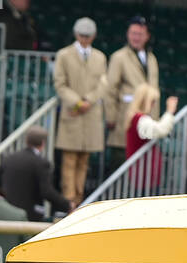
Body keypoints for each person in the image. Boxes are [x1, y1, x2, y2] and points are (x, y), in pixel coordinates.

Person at [54, 17, 108, 206]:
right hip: (72, 113)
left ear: (93, 36)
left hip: (90, 115)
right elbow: (60, 84)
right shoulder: (64, 55)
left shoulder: (100, 58)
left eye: (88, 36)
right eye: (82, 35)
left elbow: (103, 84)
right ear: (76, 34)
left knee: (84, 161)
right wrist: (77, 102)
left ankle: (79, 200)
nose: (85, 39)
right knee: (69, 161)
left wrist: (89, 101)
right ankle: (68, 201)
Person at [107, 16, 160, 172]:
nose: (136, 37)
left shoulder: (151, 58)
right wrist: (110, 116)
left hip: (147, 120)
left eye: (140, 34)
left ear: (147, 36)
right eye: (133, 33)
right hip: (126, 117)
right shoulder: (119, 57)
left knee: (141, 169)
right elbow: (111, 89)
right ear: (127, 34)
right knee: (121, 165)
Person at [0, 126, 73, 220]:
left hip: (7, 213)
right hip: (30, 215)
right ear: (43, 143)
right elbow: (47, 191)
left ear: (26, 140)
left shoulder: (8, 159)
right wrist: (67, 205)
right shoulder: (41, 163)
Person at [126, 84, 179, 193]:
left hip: (146, 177)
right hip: (143, 177)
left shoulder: (137, 118)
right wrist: (169, 112)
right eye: (152, 101)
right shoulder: (140, 119)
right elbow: (160, 130)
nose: (154, 105)